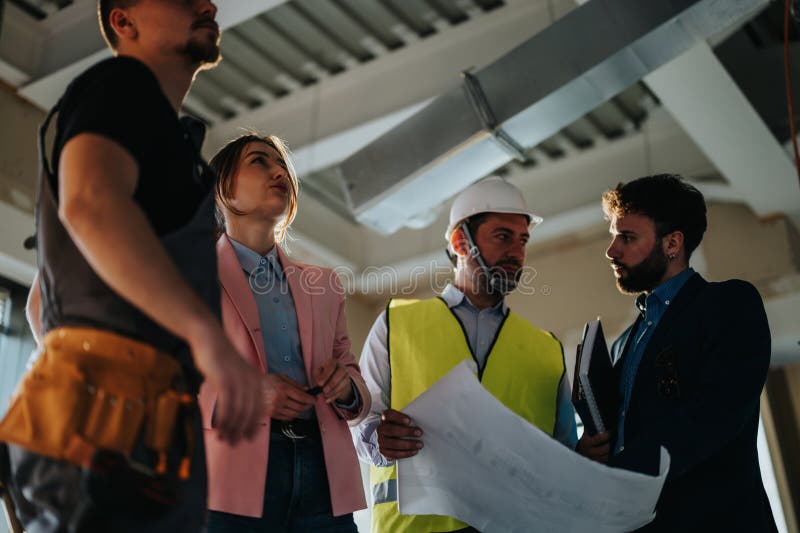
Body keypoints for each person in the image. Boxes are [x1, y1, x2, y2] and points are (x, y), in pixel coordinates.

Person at [0, 1, 263, 531]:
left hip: (136, 426)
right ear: (124, 21)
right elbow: (91, 203)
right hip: (106, 424)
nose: (208, 4)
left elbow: (39, 302)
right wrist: (205, 337)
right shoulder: (121, 85)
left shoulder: (166, 139)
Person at [353, 176, 578, 533]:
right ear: (460, 241)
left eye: (523, 240)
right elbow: (359, 425)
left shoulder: (546, 350)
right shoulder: (397, 324)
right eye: (503, 236)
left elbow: (565, 458)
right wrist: (377, 438)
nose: (517, 252)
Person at [577, 174, 777, 532]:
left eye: (627, 237)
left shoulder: (728, 304)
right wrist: (591, 453)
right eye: (613, 236)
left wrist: (616, 476)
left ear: (672, 243)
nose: (612, 251)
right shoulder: (624, 342)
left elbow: (716, 415)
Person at [201, 133, 370, 532]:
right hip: (229, 481)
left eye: (284, 168)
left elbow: (356, 387)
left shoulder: (324, 285)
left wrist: (345, 387)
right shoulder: (191, 274)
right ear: (221, 191)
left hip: (324, 479)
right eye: (259, 161)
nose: (279, 172)